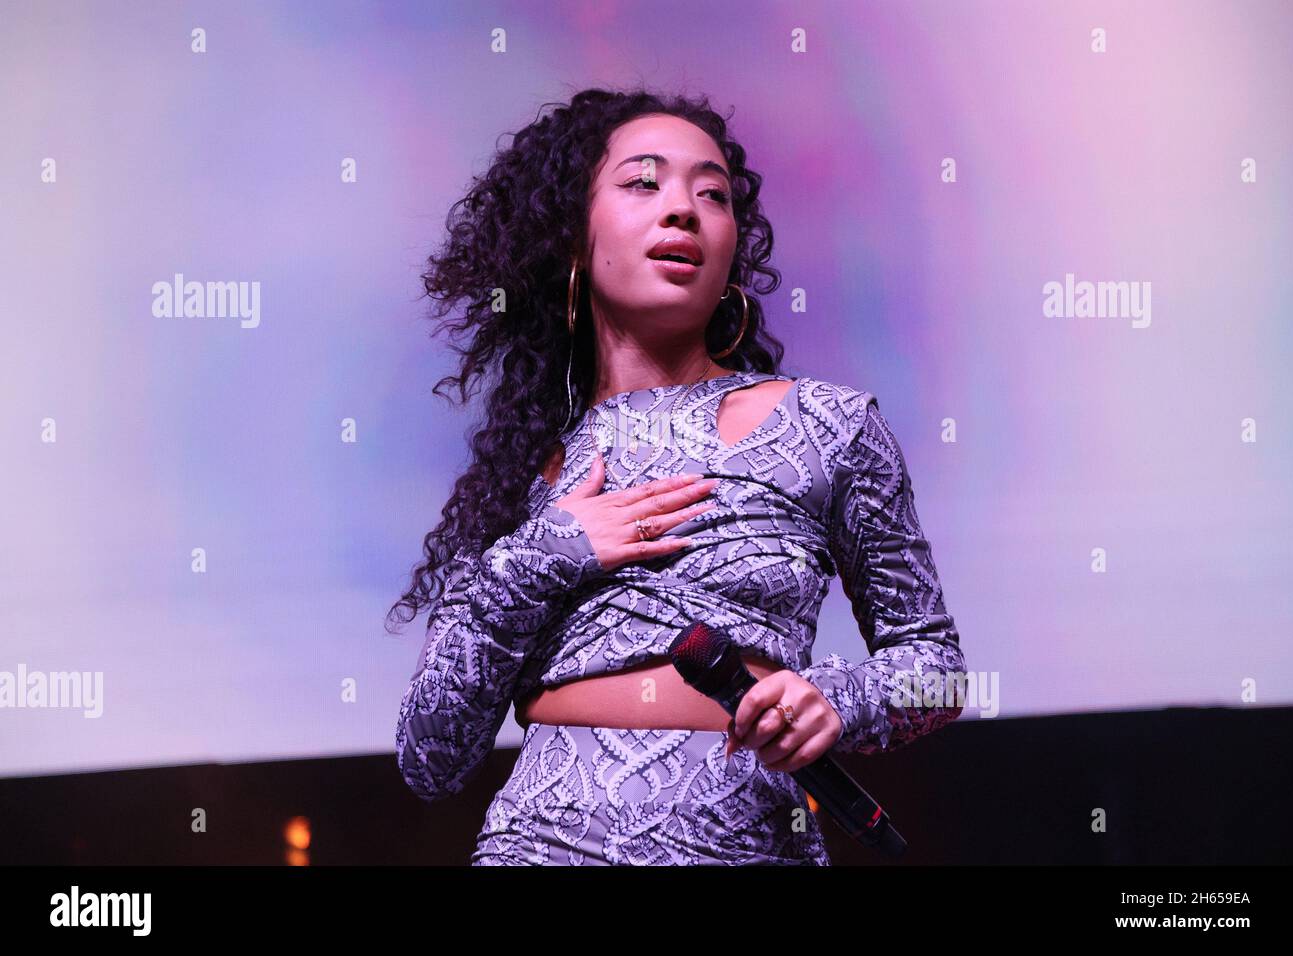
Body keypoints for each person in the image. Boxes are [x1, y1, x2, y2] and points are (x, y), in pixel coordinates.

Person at [389, 88, 966, 865]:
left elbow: (936, 670)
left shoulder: (828, 424)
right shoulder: (524, 470)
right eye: (642, 182)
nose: (683, 210)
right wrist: (544, 554)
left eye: (713, 194)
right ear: (573, 237)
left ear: (734, 251)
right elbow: (432, 756)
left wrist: (838, 699)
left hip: (750, 846)